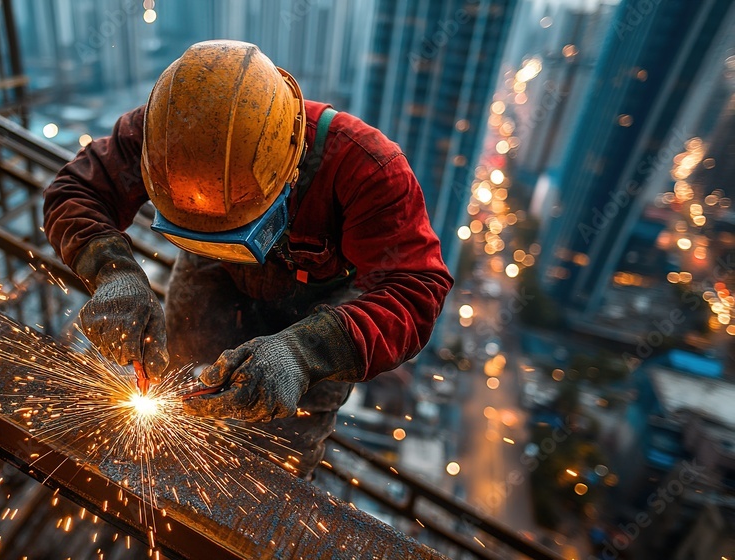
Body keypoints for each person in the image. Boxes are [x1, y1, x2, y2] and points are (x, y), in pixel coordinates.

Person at [43, 40, 453, 477]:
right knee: (176, 401)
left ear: (289, 171)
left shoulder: (368, 168)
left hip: (325, 308)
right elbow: (75, 191)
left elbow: (415, 290)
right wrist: (113, 274)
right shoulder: (167, 132)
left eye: (235, 229)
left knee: (278, 457)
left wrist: (304, 354)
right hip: (213, 277)